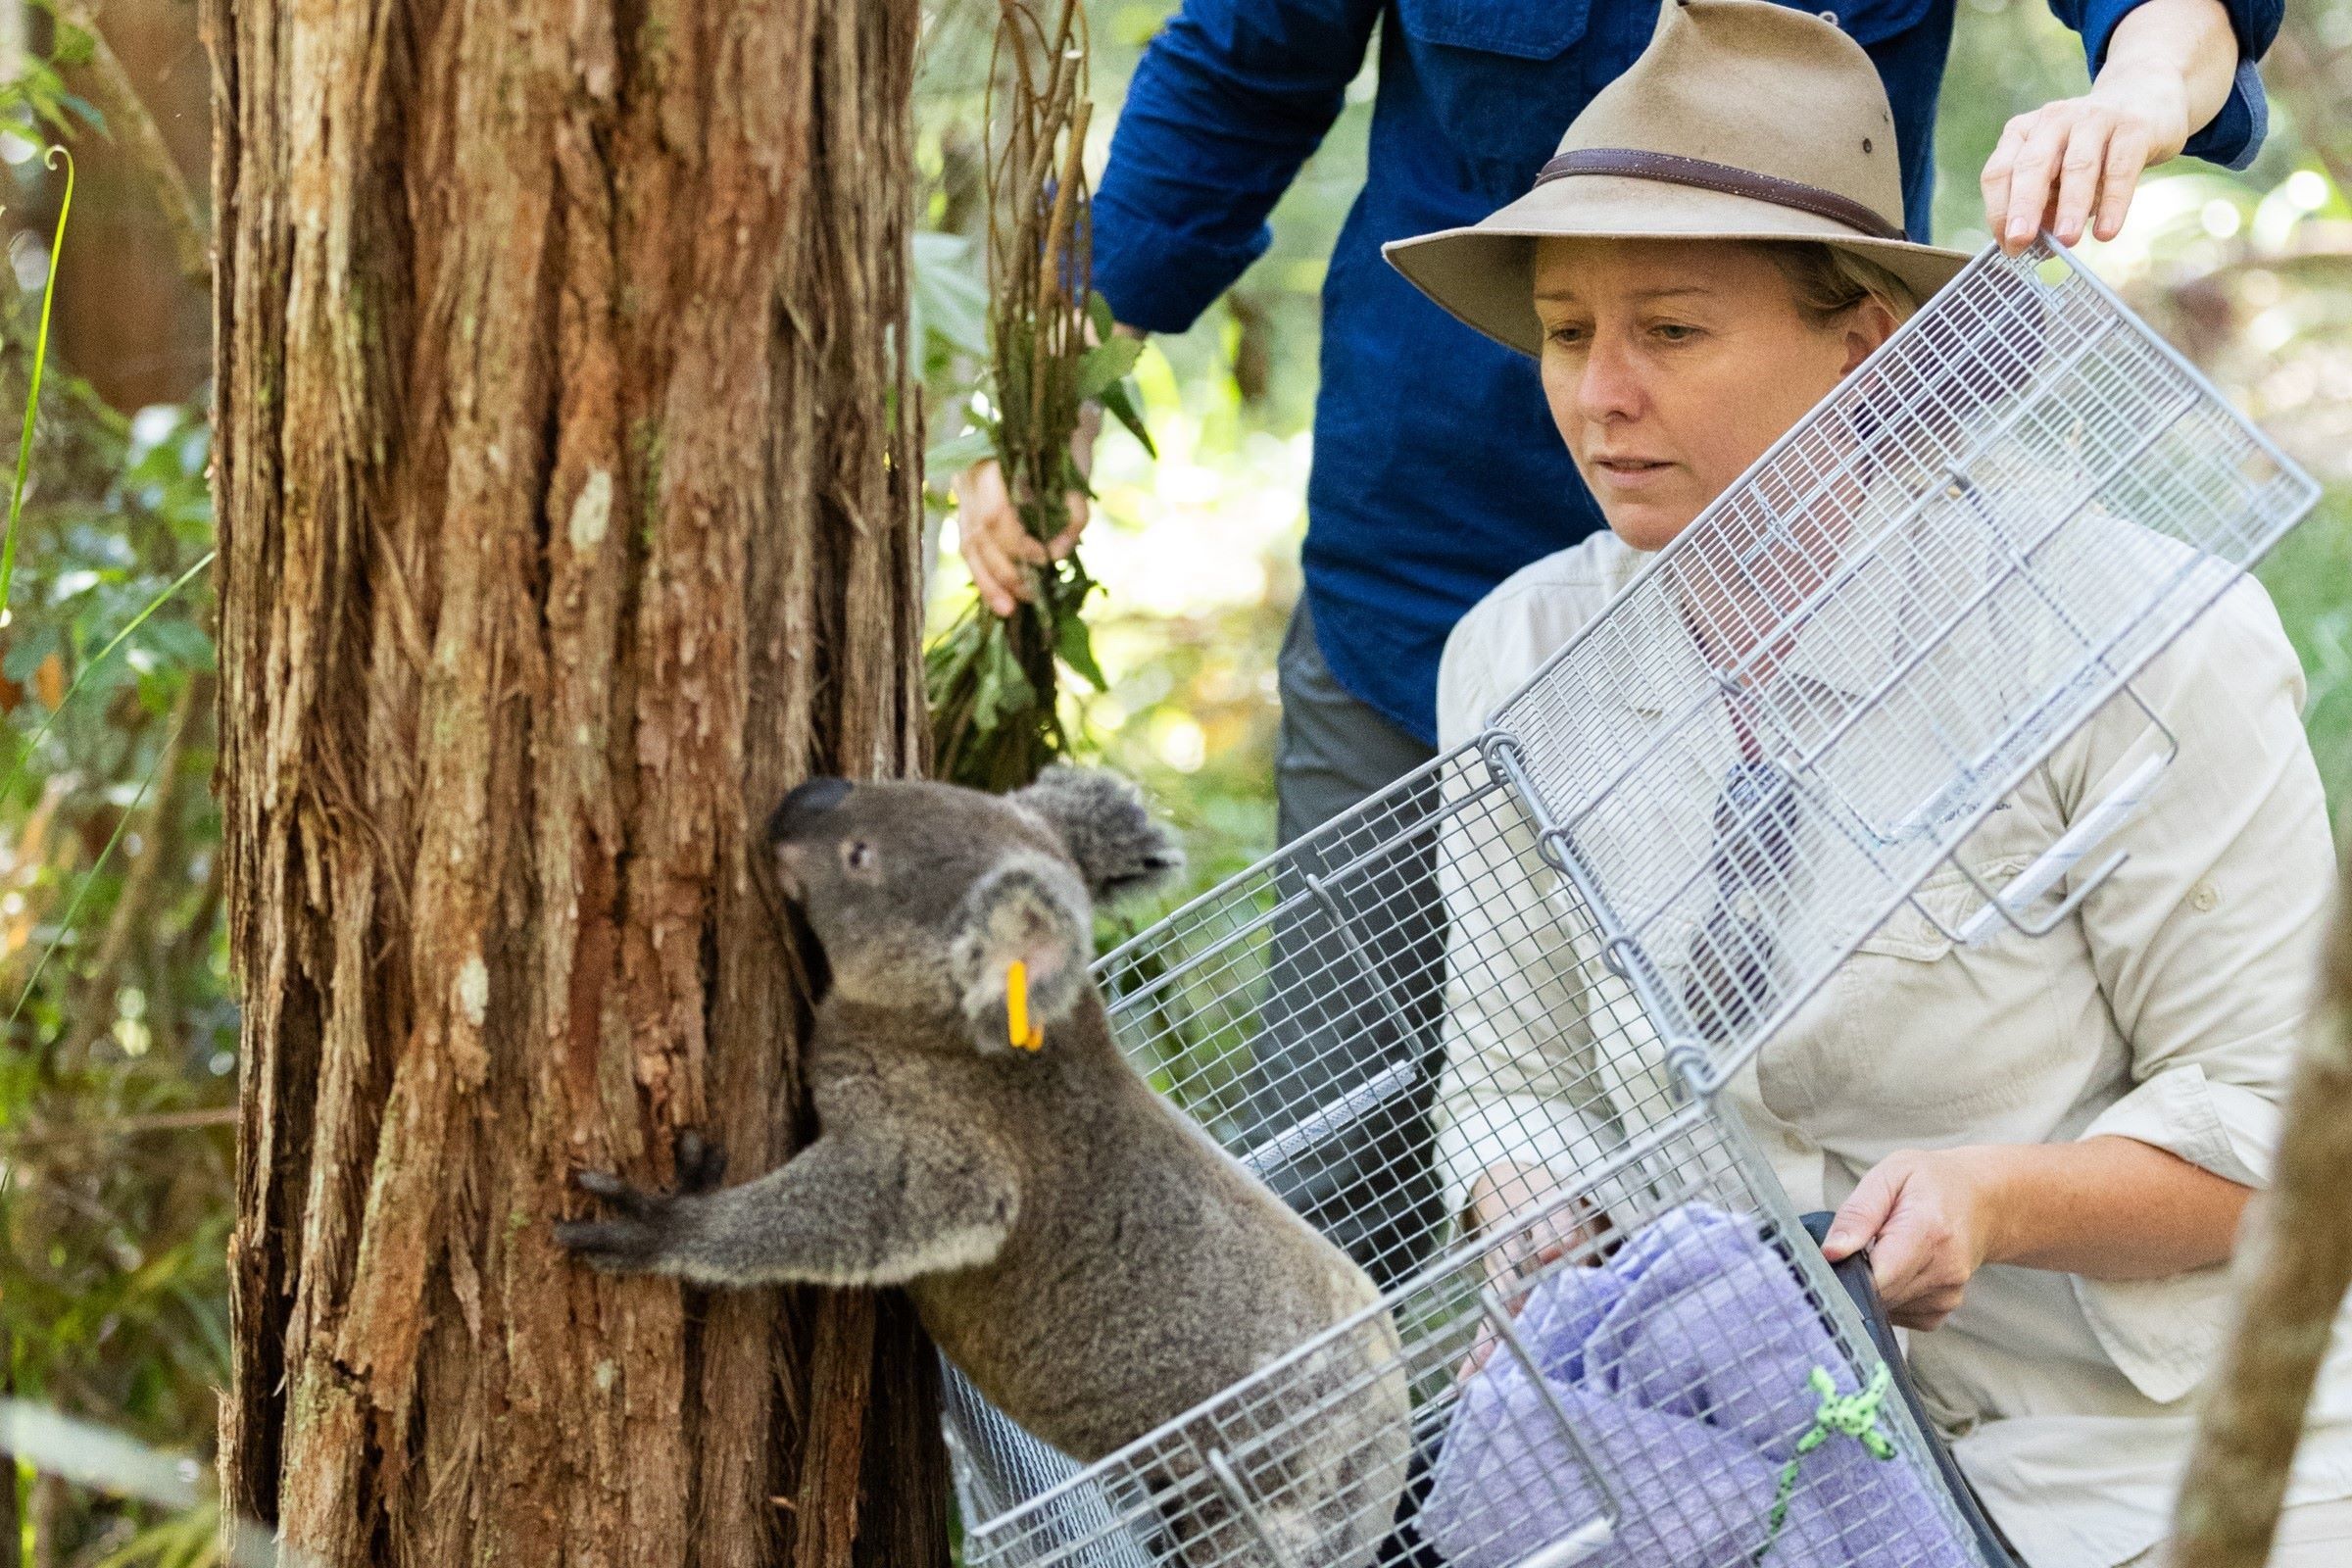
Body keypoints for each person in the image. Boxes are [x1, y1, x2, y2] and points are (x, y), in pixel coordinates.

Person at [1387, 3, 2349, 1564]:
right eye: (1569, 332)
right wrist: (1537, 1213)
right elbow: (1519, 1079)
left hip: (2121, 1468)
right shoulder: (1514, 662)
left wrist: (1997, 1201)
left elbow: (2293, 1143)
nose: (1598, 394)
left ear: (1868, 341)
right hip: (1730, 1459)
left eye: (1673, 331)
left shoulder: (2140, 636)